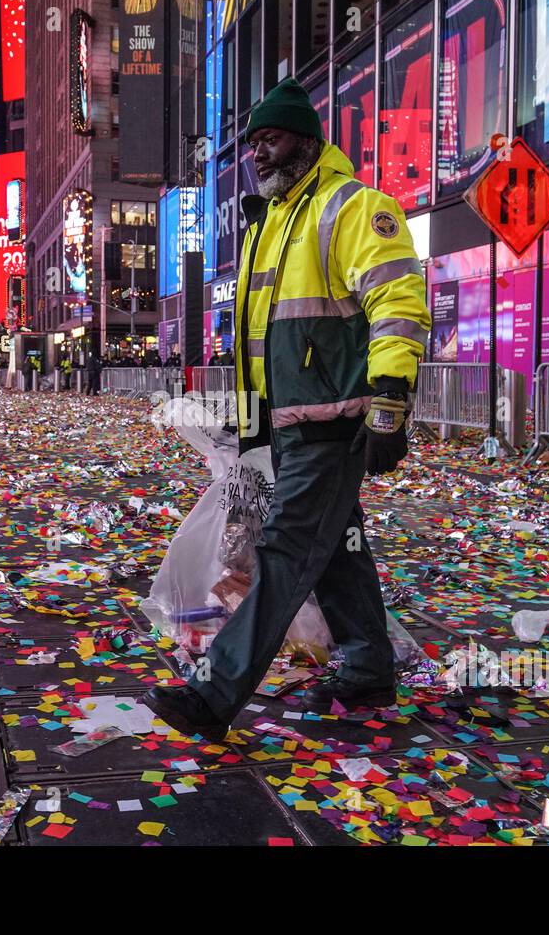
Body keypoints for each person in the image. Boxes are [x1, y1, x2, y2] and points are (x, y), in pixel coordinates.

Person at [139, 78, 430, 742]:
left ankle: (215, 693)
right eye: (251, 144)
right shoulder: (271, 224)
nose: (258, 154)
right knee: (337, 550)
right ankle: (366, 665)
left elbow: (399, 305)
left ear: (305, 141)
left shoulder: (351, 208)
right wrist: (250, 425)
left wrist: (388, 403)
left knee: (287, 550)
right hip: (290, 425)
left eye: (269, 140)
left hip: (336, 420)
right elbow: (263, 341)